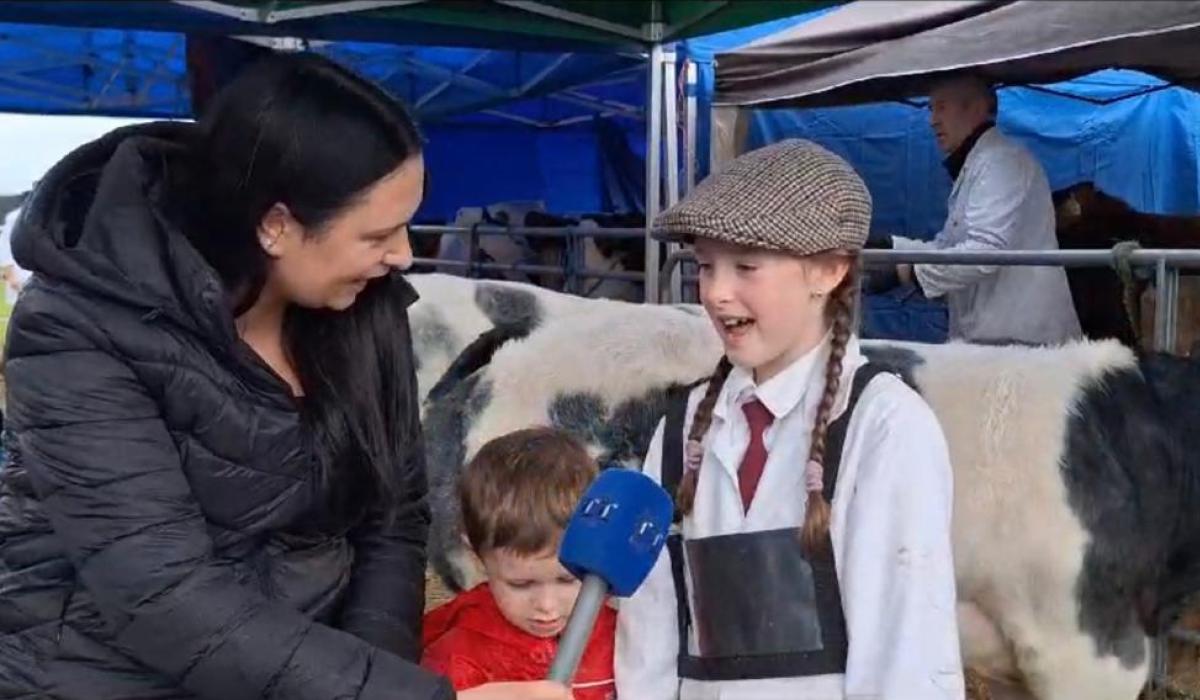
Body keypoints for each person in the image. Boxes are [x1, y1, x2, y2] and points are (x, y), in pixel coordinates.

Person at [0, 52, 569, 700]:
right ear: (276, 225)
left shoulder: (360, 306)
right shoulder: (78, 329)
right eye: (376, 232)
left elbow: (391, 515)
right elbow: (161, 595)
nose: (404, 254)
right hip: (105, 676)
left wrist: (369, 681)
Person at [614, 139, 965, 699]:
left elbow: (905, 654)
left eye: (745, 266)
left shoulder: (883, 427)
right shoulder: (683, 428)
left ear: (827, 270)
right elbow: (649, 631)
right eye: (705, 266)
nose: (716, 293)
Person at [874, 73, 1081, 345]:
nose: (932, 120)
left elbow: (985, 250)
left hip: (1023, 341)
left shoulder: (1000, 161)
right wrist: (893, 247)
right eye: (931, 108)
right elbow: (949, 247)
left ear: (975, 108)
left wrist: (909, 272)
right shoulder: (979, 163)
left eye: (942, 107)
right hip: (999, 340)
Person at [422, 427, 617, 699]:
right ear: (477, 556)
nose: (547, 607)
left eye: (568, 579)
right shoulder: (457, 658)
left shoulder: (625, 633)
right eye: (521, 584)